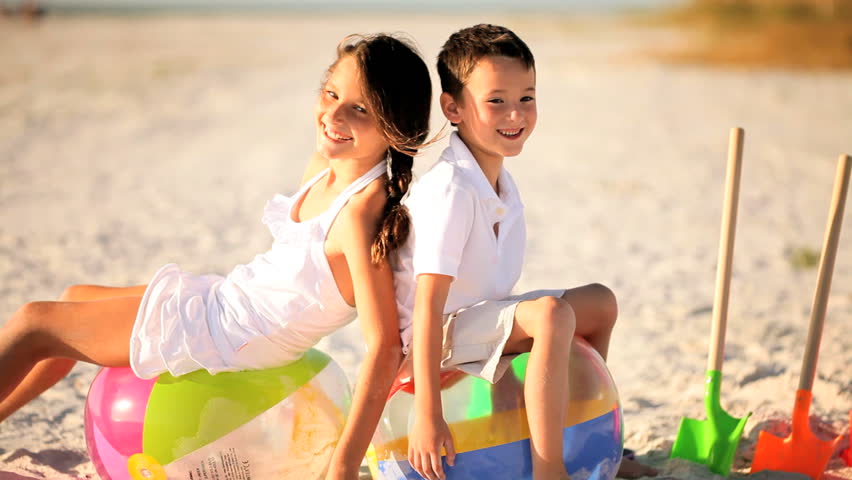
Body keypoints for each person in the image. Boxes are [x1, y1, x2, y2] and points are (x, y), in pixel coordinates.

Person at [0, 33, 432, 480]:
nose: (334, 115)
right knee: (73, 296)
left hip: (226, 333)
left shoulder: (359, 215)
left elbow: (384, 346)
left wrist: (343, 464)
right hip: (225, 299)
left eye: (360, 110)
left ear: (397, 129)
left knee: (35, 322)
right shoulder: (328, 166)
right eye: (331, 93)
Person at [393, 24, 657, 480]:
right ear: (453, 108)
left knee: (599, 303)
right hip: (432, 338)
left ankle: (585, 437)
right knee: (550, 315)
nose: (515, 113)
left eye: (527, 98)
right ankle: (549, 467)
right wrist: (428, 415)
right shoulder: (451, 189)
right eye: (496, 100)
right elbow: (427, 306)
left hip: (474, 320)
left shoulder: (500, 182)